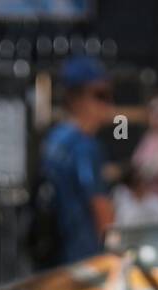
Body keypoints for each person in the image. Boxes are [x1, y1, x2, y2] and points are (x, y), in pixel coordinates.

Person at [39, 56, 115, 266]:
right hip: (81, 262)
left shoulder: (55, 138)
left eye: (109, 95)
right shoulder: (84, 146)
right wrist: (114, 254)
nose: (107, 104)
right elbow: (100, 207)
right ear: (75, 98)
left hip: (49, 261)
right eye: (100, 95)